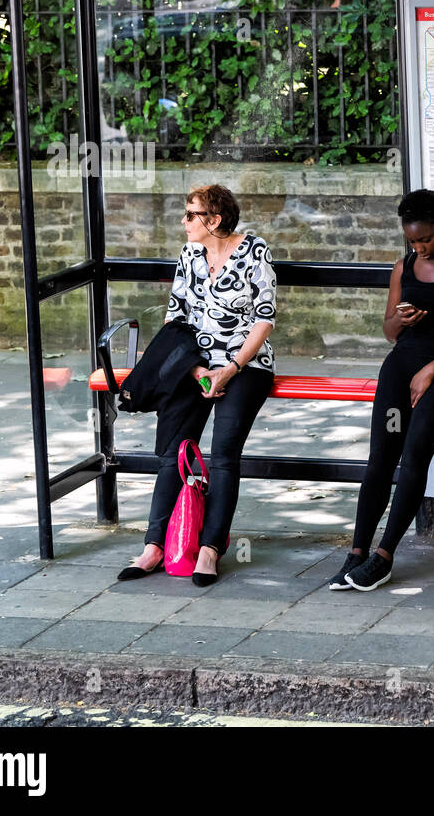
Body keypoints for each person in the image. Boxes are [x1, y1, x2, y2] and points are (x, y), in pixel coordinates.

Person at [328, 189, 434, 591]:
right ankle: (357, 553)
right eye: (413, 241)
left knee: (415, 454)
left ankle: (384, 556)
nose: (420, 247)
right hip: (401, 368)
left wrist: (430, 372)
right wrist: (403, 321)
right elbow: (387, 330)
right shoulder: (404, 266)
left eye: (426, 239)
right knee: (380, 459)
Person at [117, 184, 277, 587]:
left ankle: (209, 549)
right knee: (174, 451)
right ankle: (155, 546)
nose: (184, 222)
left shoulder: (255, 250)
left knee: (223, 455)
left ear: (214, 219)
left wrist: (230, 368)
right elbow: (176, 317)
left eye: (191, 214)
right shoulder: (190, 254)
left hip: (246, 364)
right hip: (192, 365)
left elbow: (264, 319)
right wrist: (193, 370)